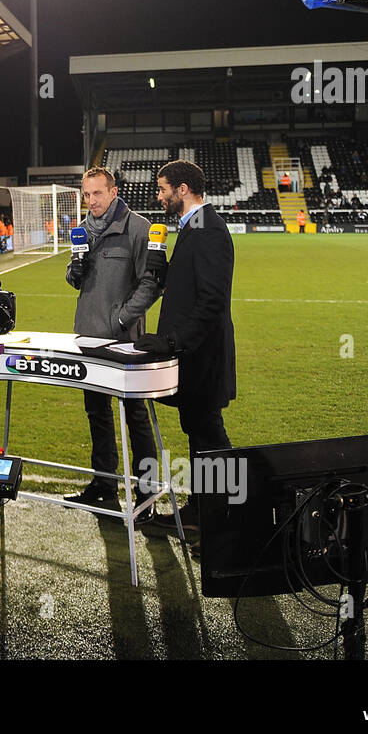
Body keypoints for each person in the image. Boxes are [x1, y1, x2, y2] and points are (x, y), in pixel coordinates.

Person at [135, 160, 236, 552]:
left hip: (202, 355)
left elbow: (212, 301)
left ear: (182, 189)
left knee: (210, 434)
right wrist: (164, 271)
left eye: (163, 189)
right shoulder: (194, 226)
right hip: (193, 355)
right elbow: (191, 289)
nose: (159, 196)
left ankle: (223, 525)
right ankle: (200, 510)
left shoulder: (208, 229)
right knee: (198, 429)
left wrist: (172, 341)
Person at [63, 168, 160, 515]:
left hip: (124, 341)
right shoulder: (83, 229)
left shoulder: (139, 228)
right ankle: (104, 486)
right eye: (87, 195)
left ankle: (147, 494)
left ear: (114, 191)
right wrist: (74, 271)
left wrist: (122, 319)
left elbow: (151, 282)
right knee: (97, 414)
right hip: (87, 336)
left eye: (98, 194)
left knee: (136, 416)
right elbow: (73, 277)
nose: (92, 201)